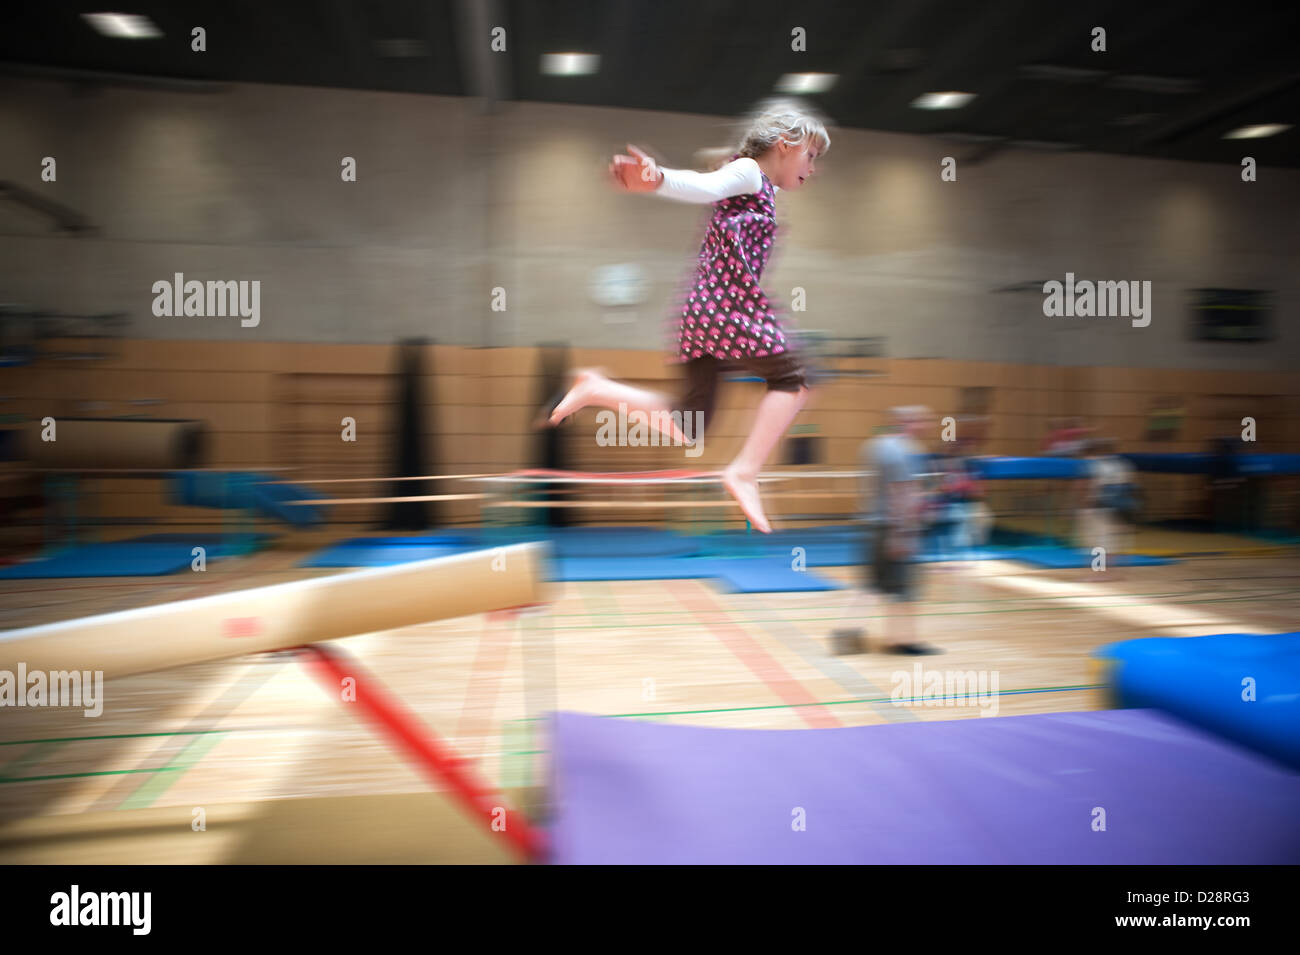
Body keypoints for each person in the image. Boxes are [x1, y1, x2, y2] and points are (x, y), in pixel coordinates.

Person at [545, 99, 831, 534]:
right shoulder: (749, 172)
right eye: (811, 156)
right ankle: (744, 471)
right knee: (796, 378)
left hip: (702, 314)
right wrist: (657, 179)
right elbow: (704, 186)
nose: (814, 168)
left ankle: (597, 389)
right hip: (726, 308)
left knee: (689, 424)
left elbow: (711, 186)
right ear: (786, 145)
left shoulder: (755, 182)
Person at [833, 406, 942, 655]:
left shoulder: (874, 446)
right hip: (891, 527)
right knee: (905, 589)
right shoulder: (902, 451)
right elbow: (901, 493)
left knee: (872, 585)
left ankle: (845, 632)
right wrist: (902, 535)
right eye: (924, 421)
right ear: (910, 422)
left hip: (871, 525)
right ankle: (903, 640)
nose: (928, 426)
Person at [1077, 438, 1136, 574]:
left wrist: (1084, 505)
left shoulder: (1094, 464)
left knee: (1096, 542)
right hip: (1120, 507)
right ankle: (1113, 572)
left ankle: (1098, 574)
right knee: (1111, 541)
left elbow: (1087, 486)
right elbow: (1130, 486)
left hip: (1098, 506)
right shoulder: (1123, 464)